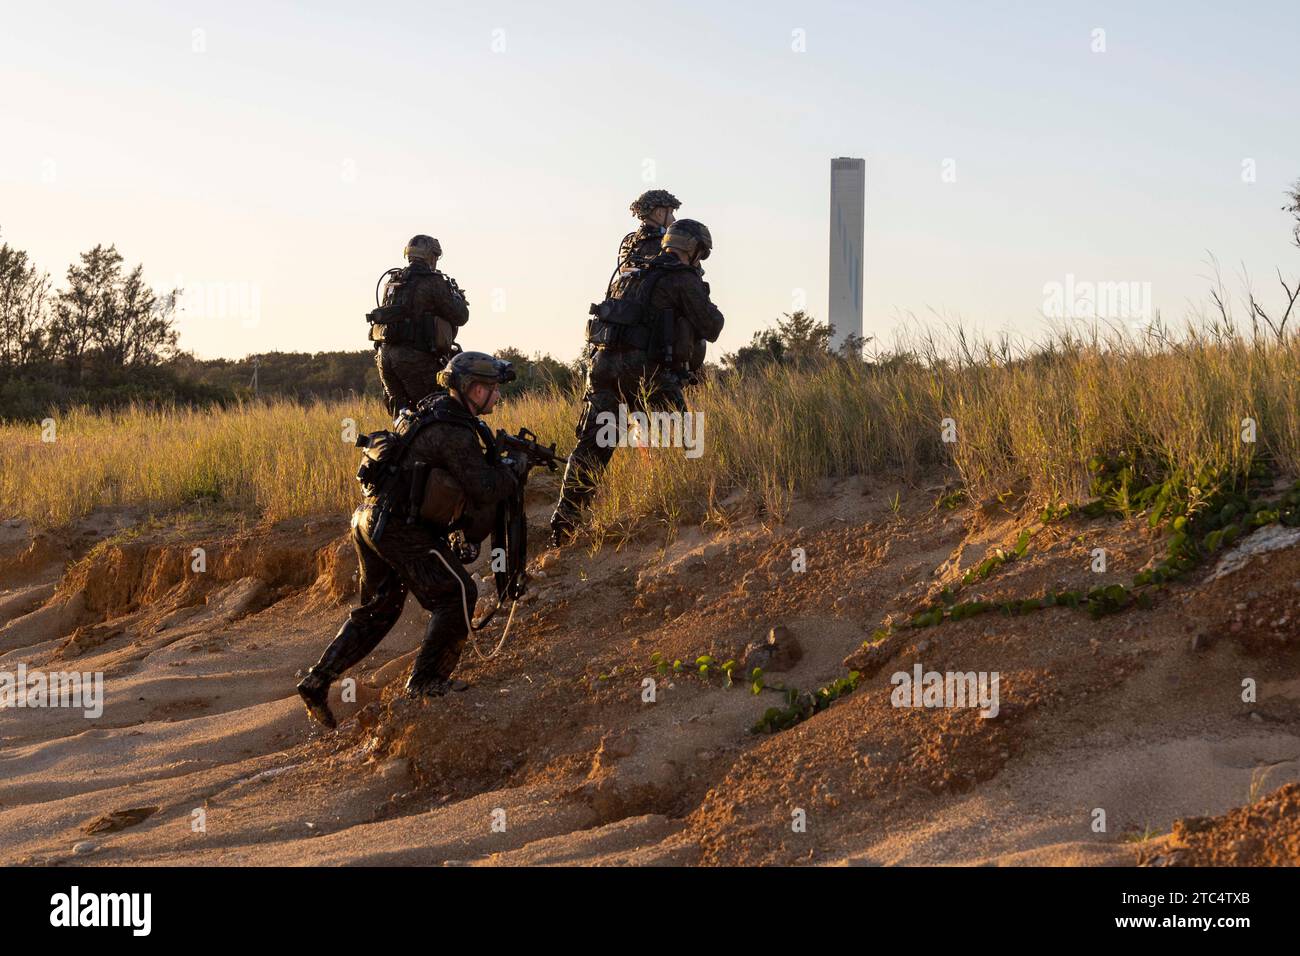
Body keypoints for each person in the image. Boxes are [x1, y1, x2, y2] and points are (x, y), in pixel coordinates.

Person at [297, 352, 523, 728]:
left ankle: (316, 680)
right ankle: (426, 682)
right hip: (398, 528)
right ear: (475, 389)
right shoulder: (454, 430)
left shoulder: (433, 410)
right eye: (494, 389)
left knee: (379, 611)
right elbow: (484, 489)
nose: (497, 397)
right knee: (458, 594)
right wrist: (512, 470)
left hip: (369, 520)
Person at [550, 219, 724, 546]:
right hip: (647, 373)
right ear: (694, 249)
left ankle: (564, 525)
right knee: (681, 443)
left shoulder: (629, 273)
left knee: (592, 449)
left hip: (602, 371)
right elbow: (711, 326)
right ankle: (675, 515)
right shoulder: (681, 278)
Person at [368, 234, 470, 416]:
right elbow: (460, 316)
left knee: (402, 417)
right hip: (414, 358)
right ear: (431, 256)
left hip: (385, 357)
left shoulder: (393, 281)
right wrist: (458, 299)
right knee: (435, 413)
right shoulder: (433, 282)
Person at [607, 189, 681, 295]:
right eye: (670, 213)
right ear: (659, 213)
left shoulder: (630, 242)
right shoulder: (663, 245)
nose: (674, 219)